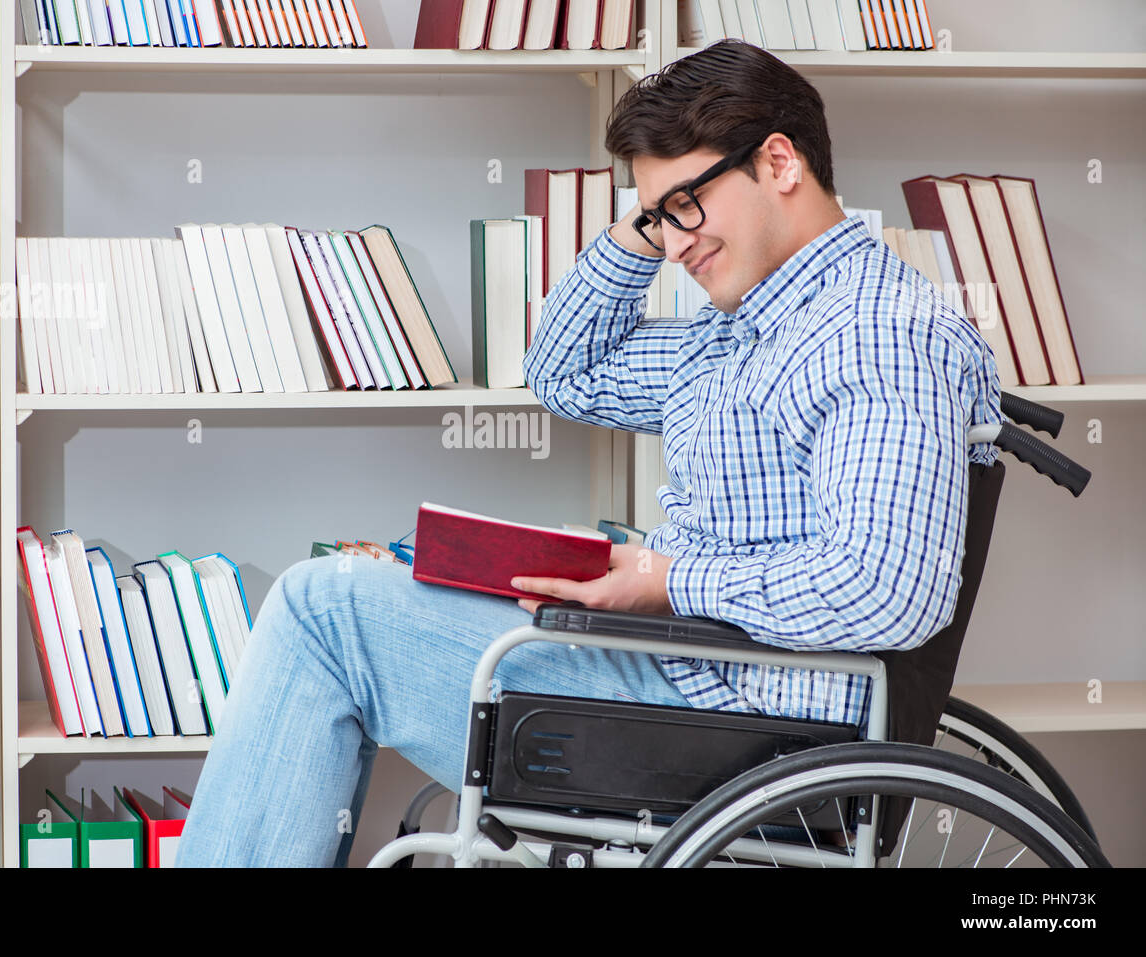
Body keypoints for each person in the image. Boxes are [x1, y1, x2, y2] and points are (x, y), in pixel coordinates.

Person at [176, 38, 1001, 867]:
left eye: (686, 203)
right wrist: (639, 228)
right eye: (658, 217)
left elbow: (889, 588)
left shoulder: (878, 334)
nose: (674, 244)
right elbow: (565, 373)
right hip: (680, 678)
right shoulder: (741, 324)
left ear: (779, 161)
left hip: (735, 722)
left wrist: (664, 580)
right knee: (350, 593)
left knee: (323, 612)